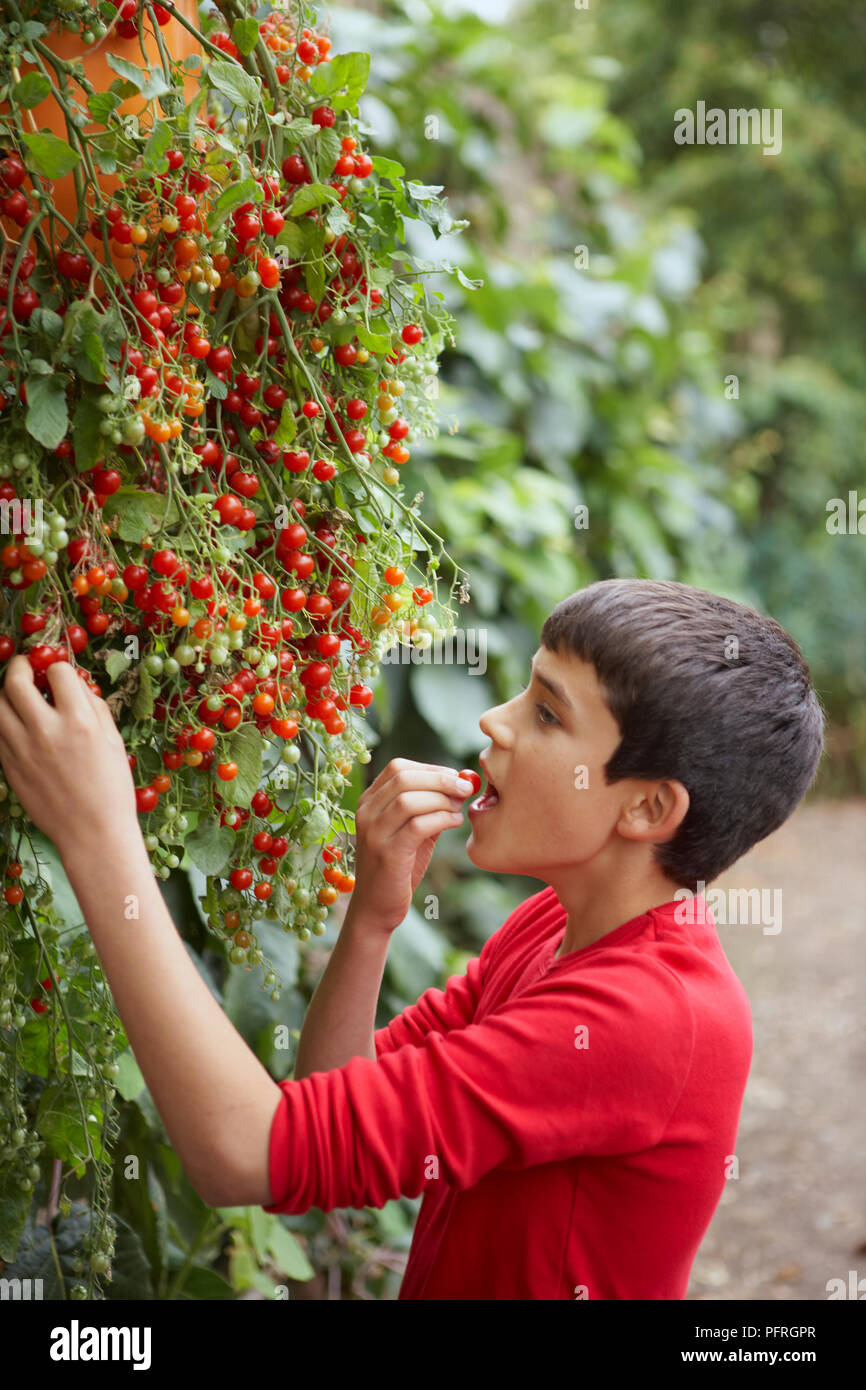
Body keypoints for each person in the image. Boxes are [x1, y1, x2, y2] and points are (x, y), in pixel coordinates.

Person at [0, 578, 826, 1299]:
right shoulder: (558, 927)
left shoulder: (647, 1019)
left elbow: (244, 1153)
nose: (494, 723)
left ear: (647, 808)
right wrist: (373, 922)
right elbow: (327, 1125)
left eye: (545, 712)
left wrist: (99, 838)